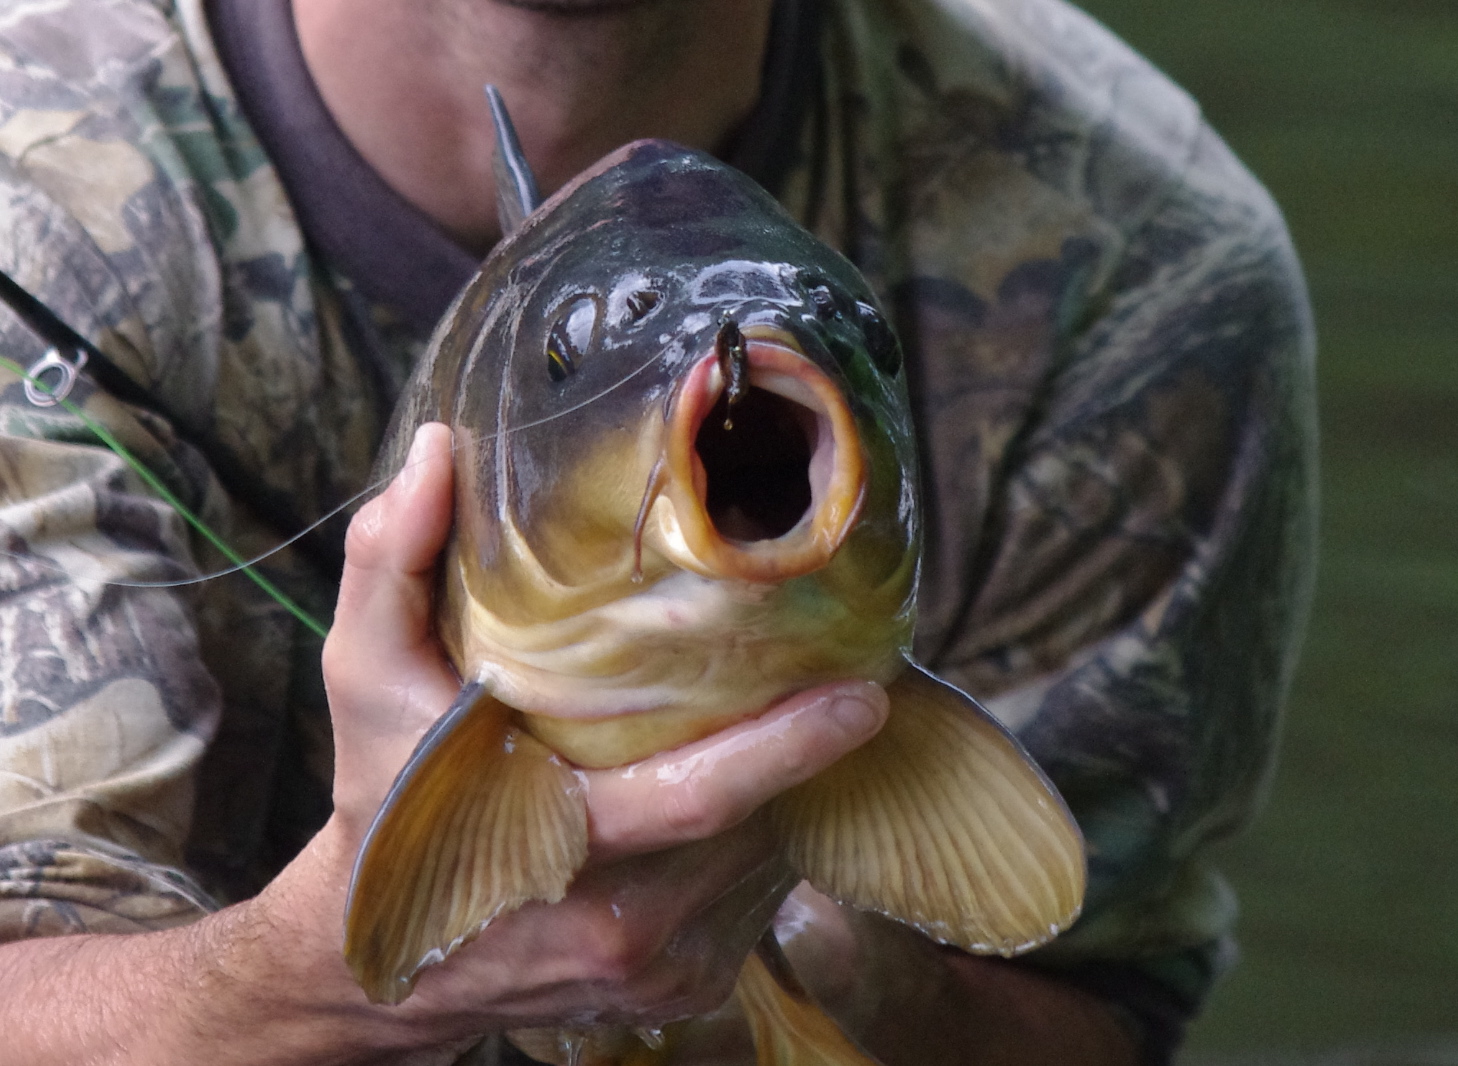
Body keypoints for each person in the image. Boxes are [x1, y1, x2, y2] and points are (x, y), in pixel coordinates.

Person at [0, 0, 1315, 1062]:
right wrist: (330, 975)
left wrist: (846, 971)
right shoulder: (37, 194)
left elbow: (1098, 1006)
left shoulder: (1138, 263)